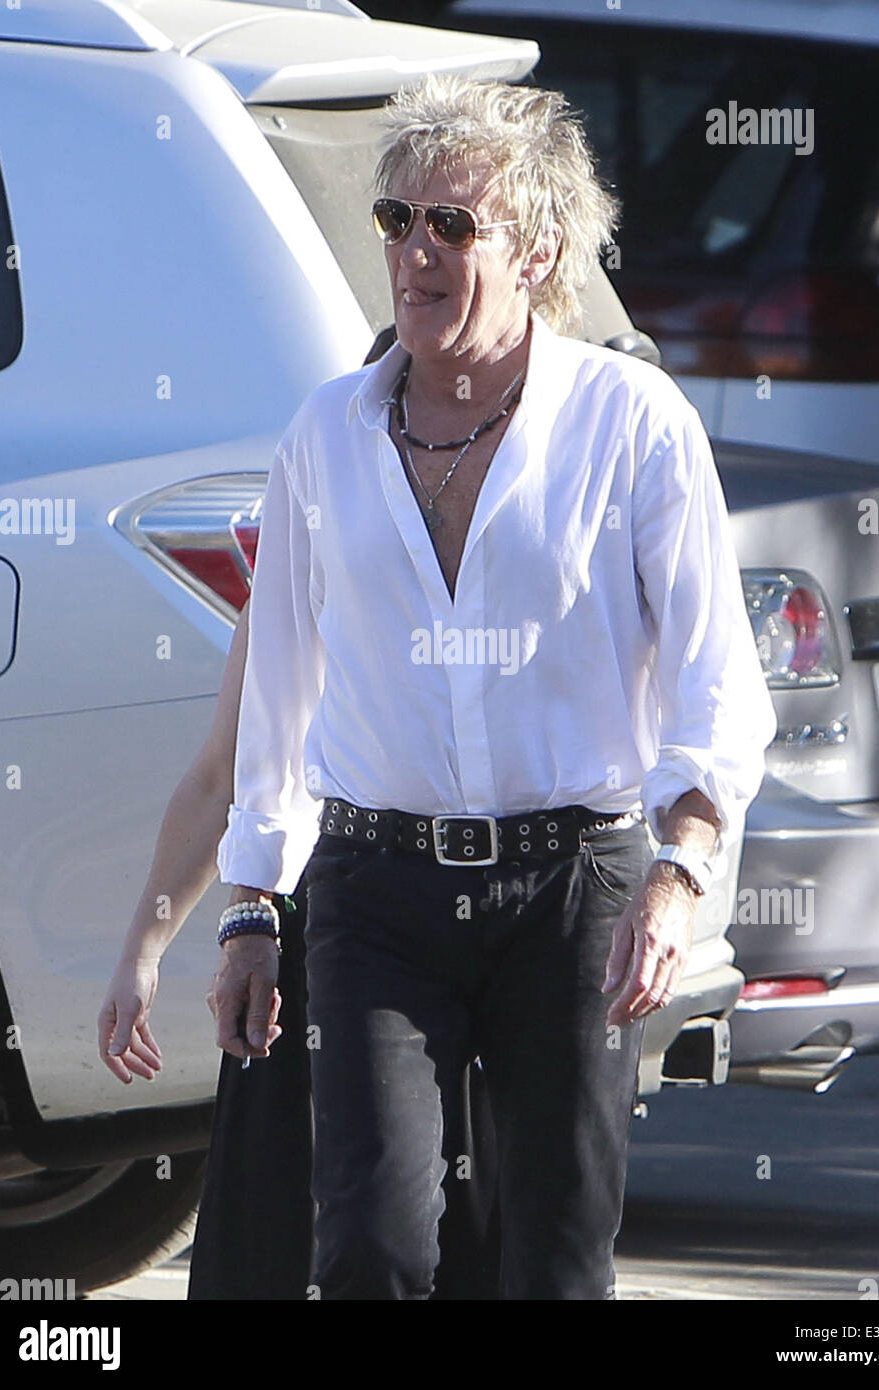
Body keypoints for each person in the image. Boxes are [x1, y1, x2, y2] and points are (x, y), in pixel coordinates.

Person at [212, 72, 777, 1301]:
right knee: (369, 1245)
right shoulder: (324, 434)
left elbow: (714, 683)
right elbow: (279, 688)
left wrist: (678, 876)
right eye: (397, 221)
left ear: (538, 251)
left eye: (452, 225)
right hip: (373, 885)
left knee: (554, 1257)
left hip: (569, 885)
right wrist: (251, 902)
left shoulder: (631, 423)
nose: (416, 251)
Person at [97, 599, 500, 1300]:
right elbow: (222, 775)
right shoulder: (316, 543)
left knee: (476, 1234)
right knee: (286, 1232)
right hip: (316, 948)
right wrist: (142, 952)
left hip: (497, 944)